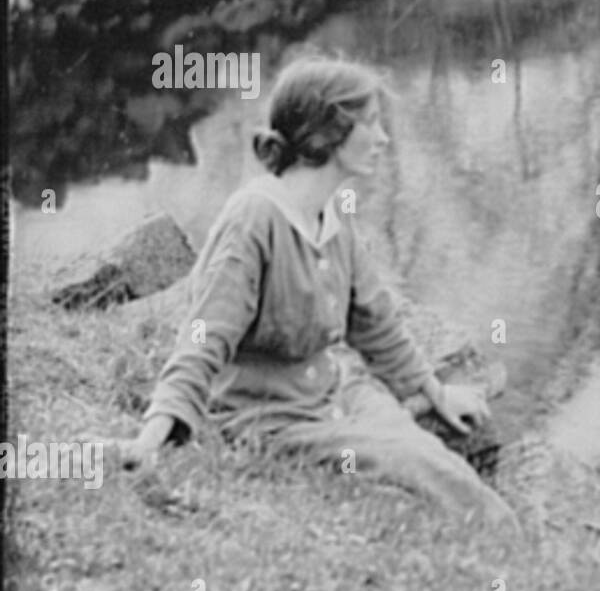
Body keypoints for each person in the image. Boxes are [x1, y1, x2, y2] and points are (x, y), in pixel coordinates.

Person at [118, 54, 519, 531]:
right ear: (329, 133)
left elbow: (376, 324)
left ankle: (505, 537)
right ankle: (511, 556)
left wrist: (435, 392)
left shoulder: (332, 218)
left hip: (338, 393)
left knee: (433, 453)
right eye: (372, 124)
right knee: (421, 466)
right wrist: (152, 437)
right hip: (269, 418)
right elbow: (202, 342)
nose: (384, 139)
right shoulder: (255, 219)